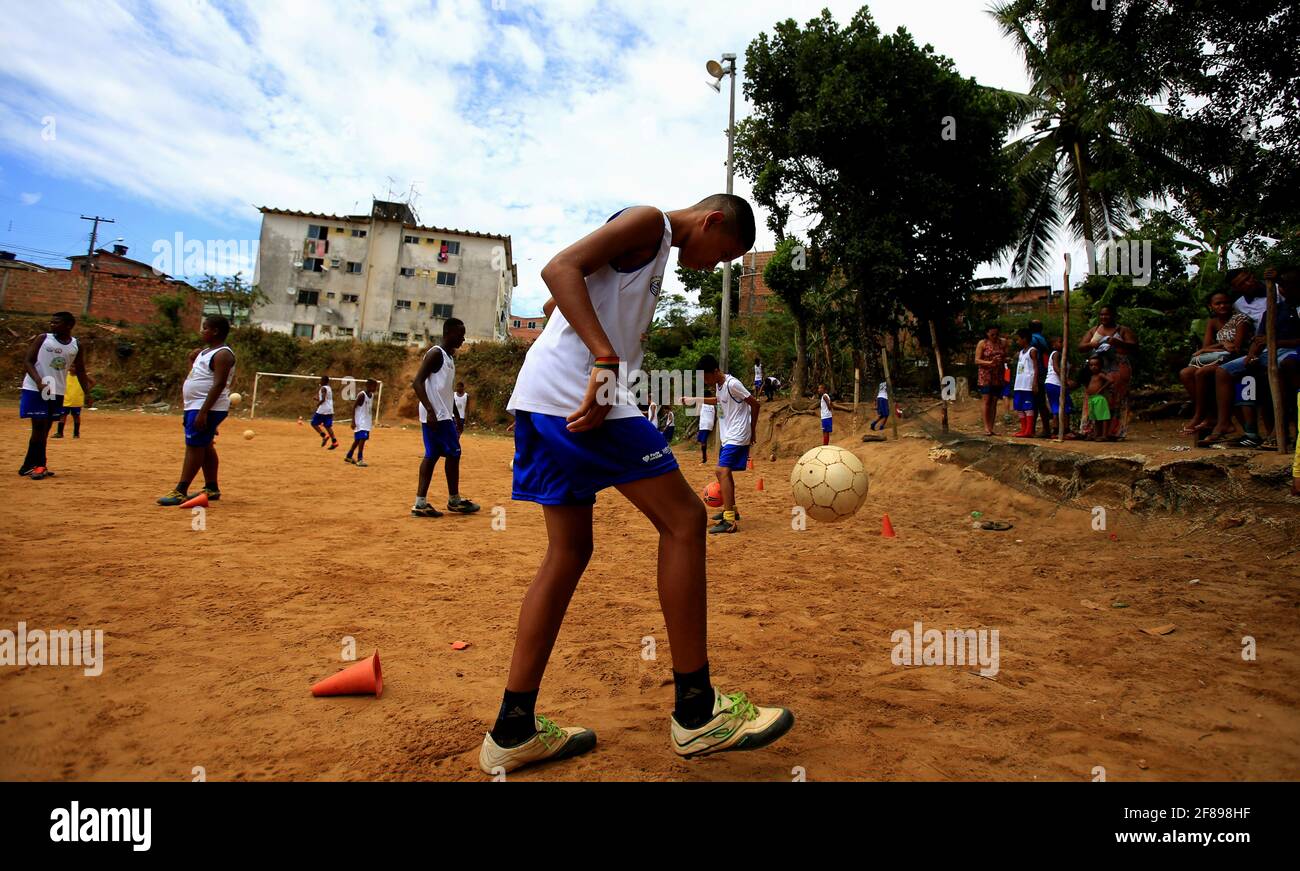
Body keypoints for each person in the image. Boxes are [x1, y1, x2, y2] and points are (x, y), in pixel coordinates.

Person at [481, 196, 791, 775]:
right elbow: (557, 270)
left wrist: (587, 325)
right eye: (723, 254)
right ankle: (697, 713)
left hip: (543, 400)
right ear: (713, 221)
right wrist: (604, 354)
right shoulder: (651, 221)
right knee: (686, 520)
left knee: (569, 552)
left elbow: (559, 296)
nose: (715, 265)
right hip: (583, 393)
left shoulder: (650, 250)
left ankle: (514, 728)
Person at [1203, 272, 1300, 447]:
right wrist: (1251, 354)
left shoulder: (1281, 296)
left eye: (1249, 278)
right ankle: (1232, 425)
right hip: (1264, 351)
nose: (1250, 282)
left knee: (1277, 376)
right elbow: (1259, 337)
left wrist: (1273, 342)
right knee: (1227, 372)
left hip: (1287, 351)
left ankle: (1279, 432)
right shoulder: (1268, 309)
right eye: (1243, 282)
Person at [157, 316, 234, 504]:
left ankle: (181, 490)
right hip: (196, 405)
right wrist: (191, 359)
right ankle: (212, 488)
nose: (202, 331)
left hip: (206, 406)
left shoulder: (223, 354)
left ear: (215, 331)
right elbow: (195, 376)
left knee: (194, 446)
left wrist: (204, 412)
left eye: (205, 328)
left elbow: (219, 385)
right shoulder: (205, 352)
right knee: (205, 445)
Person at [412, 319, 480, 517]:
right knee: (454, 453)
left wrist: (458, 416)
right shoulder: (436, 354)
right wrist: (430, 410)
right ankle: (454, 500)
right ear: (449, 333)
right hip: (437, 416)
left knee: (432, 455)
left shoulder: (450, 358)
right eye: (460, 334)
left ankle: (420, 503)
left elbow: (446, 392)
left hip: (442, 414)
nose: (463, 338)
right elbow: (417, 382)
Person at [19, 311, 92, 479]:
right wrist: (38, 381)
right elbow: (28, 361)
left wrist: (86, 392)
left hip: (56, 388)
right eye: (51, 322)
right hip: (36, 387)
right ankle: (40, 465)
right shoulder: (43, 338)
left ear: (69, 325)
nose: (52, 325)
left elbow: (80, 370)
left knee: (44, 429)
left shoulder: (75, 345)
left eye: (56, 322)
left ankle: (27, 465)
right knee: (39, 426)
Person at [698, 354, 760, 532]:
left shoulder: (733, 384)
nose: (706, 381)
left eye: (707, 377)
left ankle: (729, 521)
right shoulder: (719, 385)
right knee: (724, 473)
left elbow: (755, 405)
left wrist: (752, 429)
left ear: (716, 371)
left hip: (738, 434)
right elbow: (720, 403)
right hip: (728, 435)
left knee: (721, 470)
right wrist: (696, 400)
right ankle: (732, 510)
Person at [1179, 290, 1252, 435]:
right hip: (1219, 357)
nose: (1222, 306)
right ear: (1211, 306)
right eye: (1218, 303)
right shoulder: (1212, 322)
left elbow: (1236, 348)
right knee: (1185, 373)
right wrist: (1223, 344)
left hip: (1237, 357)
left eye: (1225, 302)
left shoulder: (1240, 319)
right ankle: (1210, 415)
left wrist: (1218, 346)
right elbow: (1205, 347)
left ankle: (1200, 415)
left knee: (1201, 372)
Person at [1078, 306, 1138, 439]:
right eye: (1102, 315)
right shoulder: (1094, 330)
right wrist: (1090, 345)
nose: (1104, 317)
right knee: (1094, 398)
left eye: (1107, 315)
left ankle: (1113, 432)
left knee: (1115, 400)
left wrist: (1118, 343)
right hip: (1097, 369)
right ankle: (1092, 431)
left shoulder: (1123, 330)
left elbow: (1134, 345)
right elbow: (1081, 346)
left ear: (1113, 316)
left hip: (1117, 369)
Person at [974, 326, 1007, 436]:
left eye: (996, 334)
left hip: (998, 375)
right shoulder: (982, 343)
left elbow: (1005, 356)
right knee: (986, 399)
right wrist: (990, 363)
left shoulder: (1002, 343)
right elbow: (977, 360)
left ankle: (991, 427)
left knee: (994, 401)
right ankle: (986, 427)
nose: (994, 337)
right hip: (986, 375)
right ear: (987, 334)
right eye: (992, 334)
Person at [1043, 337, 1074, 438]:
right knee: (1065, 406)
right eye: (1060, 342)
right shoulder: (1056, 353)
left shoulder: (1062, 355)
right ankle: (1065, 430)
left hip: (1051, 383)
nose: (1063, 344)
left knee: (1057, 407)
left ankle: (1056, 430)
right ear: (1054, 345)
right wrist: (1066, 380)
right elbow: (1056, 368)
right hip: (1056, 383)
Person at [1011, 328, 1040, 438]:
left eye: (1018, 339)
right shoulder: (1020, 353)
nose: (1017, 341)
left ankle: (1029, 430)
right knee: (1019, 406)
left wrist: (1034, 382)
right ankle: (1023, 429)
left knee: (1028, 406)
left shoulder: (1032, 351)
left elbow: (1036, 367)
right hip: (1019, 383)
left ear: (1024, 339)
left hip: (1028, 383)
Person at [345, 379, 377, 467]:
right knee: (362, 440)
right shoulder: (362, 395)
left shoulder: (371, 395)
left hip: (366, 422)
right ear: (368, 386)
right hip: (360, 422)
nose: (375, 388)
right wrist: (353, 421)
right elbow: (354, 407)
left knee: (358, 440)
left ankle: (349, 456)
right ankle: (360, 459)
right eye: (374, 386)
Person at [1028, 319, 1052, 436]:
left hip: (1036, 373)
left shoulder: (1032, 340)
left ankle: (1043, 430)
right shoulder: (1042, 338)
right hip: (1043, 371)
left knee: (1037, 402)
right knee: (1039, 401)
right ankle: (1041, 428)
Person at [1082, 354, 1114, 441]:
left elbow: (1111, 380)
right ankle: (1096, 434)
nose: (1093, 367)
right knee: (1095, 418)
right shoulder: (1091, 376)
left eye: (1096, 365)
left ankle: (1104, 435)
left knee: (1103, 417)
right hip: (1091, 398)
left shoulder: (1100, 375)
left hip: (1099, 398)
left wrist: (1101, 389)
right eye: (1091, 365)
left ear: (1100, 366)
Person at [54, 373, 86, 439]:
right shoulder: (65, 375)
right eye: (71, 366)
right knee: (62, 416)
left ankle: (76, 434)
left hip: (76, 400)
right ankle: (60, 433)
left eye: (74, 367)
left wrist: (84, 390)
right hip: (65, 400)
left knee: (76, 416)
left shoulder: (81, 376)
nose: (72, 368)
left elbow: (93, 382)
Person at [311, 375, 338, 450]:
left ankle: (324, 436)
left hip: (323, 410)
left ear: (324, 381)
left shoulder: (323, 388)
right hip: (330, 409)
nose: (320, 381)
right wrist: (317, 399)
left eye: (321, 380)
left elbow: (323, 399)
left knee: (313, 423)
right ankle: (334, 442)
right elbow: (326, 398)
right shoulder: (329, 388)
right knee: (328, 426)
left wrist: (318, 404)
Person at [696, 390, 715, 464]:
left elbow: (698, 414)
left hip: (704, 424)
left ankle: (704, 458)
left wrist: (698, 423)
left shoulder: (701, 403)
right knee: (702, 440)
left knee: (703, 442)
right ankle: (704, 456)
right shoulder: (713, 404)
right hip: (710, 424)